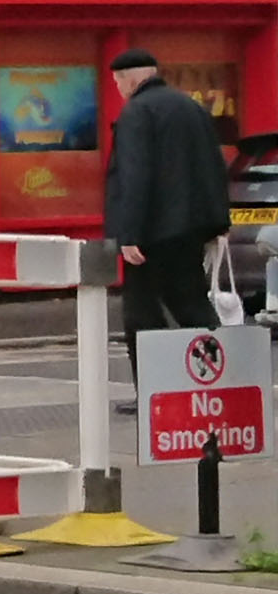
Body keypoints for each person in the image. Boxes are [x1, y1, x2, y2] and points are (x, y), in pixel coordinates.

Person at [104, 48, 231, 414]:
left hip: (152, 233)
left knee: (141, 315)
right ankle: (223, 378)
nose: (119, 90)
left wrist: (129, 233)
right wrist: (216, 222)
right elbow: (213, 165)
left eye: (118, 83)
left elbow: (135, 175)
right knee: (193, 307)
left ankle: (153, 391)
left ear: (130, 79)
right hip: (190, 229)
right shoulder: (191, 108)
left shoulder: (137, 112)